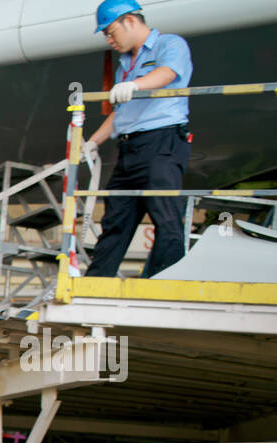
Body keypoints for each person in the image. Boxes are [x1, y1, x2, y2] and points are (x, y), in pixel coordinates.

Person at [82, 0, 192, 278]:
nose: (108, 40)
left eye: (109, 32)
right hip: (130, 147)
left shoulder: (170, 44)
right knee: (116, 219)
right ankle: (95, 284)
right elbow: (121, 111)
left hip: (162, 143)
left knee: (165, 218)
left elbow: (167, 73)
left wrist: (136, 85)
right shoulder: (124, 66)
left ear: (129, 21)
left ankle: (161, 284)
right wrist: (92, 142)